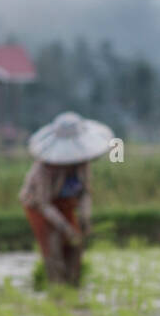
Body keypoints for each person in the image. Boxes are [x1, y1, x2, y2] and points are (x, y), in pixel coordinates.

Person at [20, 111, 113, 286]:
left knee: (76, 242)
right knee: (53, 244)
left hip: (65, 204)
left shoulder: (82, 163)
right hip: (40, 207)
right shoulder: (45, 168)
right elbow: (43, 203)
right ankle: (56, 286)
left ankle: (73, 283)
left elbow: (85, 192)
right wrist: (65, 227)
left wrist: (85, 216)